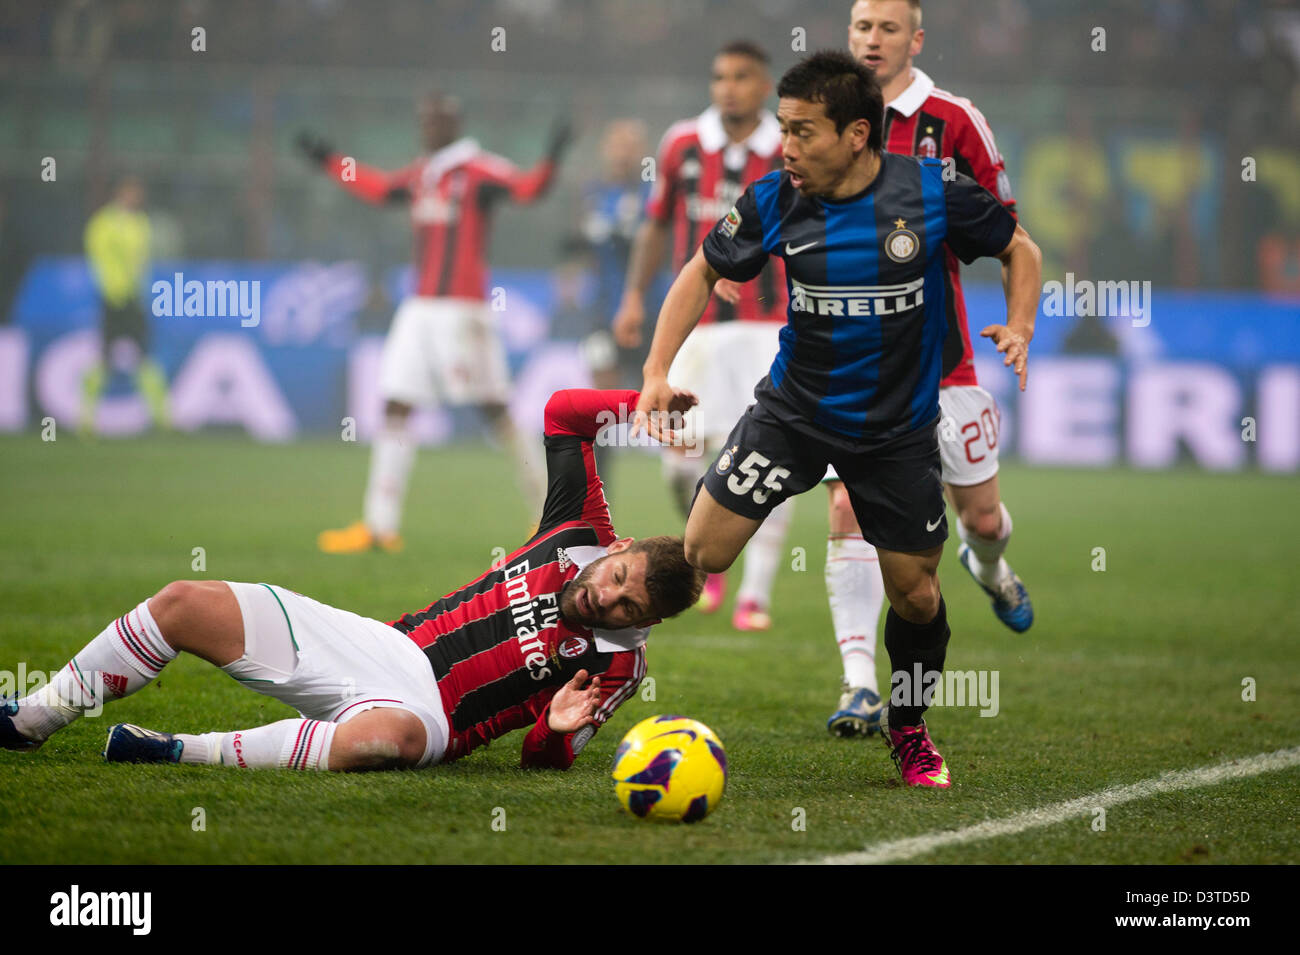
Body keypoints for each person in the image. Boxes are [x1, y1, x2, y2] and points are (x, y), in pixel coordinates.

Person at [635, 51, 1042, 787]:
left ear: (858, 134)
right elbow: (702, 269)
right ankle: (599, 664)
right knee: (700, 551)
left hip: (895, 433)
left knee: (917, 594)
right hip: (792, 415)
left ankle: (909, 725)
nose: (786, 147)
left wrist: (1019, 323)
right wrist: (656, 371)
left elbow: (1019, 248)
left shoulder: (931, 191)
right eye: (783, 130)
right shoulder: (774, 199)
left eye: (803, 132)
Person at [1, 389, 705, 771]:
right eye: (618, 576)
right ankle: (32, 718)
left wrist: (553, 732)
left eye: (625, 604)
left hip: (434, 722)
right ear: (622, 546)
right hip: (383, 646)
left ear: (647, 620)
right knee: (184, 603)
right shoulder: (580, 525)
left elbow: (542, 757)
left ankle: (175, 749)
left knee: (383, 738)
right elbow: (560, 414)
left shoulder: (620, 668)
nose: (606, 595)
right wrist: (636, 403)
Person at [821, 0, 1035, 739]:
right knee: (848, 510)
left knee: (979, 518)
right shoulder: (825, 113)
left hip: (944, 363)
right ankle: (858, 685)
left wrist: (1020, 323)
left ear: (916, 38)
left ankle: (992, 567)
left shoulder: (955, 120)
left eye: (886, 28)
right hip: (854, 364)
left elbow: (1010, 233)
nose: (871, 41)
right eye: (860, 28)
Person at [296, 92, 572, 554]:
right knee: (396, 406)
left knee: (494, 410)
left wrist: (551, 159)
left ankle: (552, 516)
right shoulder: (424, 174)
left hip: (462, 311)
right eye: (423, 119)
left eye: (437, 119)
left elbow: (527, 190)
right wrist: (330, 161)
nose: (427, 126)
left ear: (456, 122)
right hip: (418, 307)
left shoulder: (478, 170)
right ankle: (380, 527)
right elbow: (379, 188)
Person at [612, 40, 790, 631]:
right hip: (698, 329)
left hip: (769, 327)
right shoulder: (683, 143)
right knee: (678, 460)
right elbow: (657, 222)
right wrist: (636, 296)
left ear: (764, 86)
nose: (728, 86)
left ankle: (754, 596)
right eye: (719, 76)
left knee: (771, 462)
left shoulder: (791, 145)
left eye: (742, 76)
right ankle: (711, 567)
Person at [80, 175, 169, 435]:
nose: (136, 198)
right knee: (105, 358)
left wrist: (139, 291)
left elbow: (141, 263)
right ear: (120, 193)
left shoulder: (141, 223)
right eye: (131, 192)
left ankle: (163, 418)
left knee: (144, 357)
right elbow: (98, 259)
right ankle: (85, 418)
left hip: (134, 299)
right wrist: (112, 288)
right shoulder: (103, 224)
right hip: (112, 299)